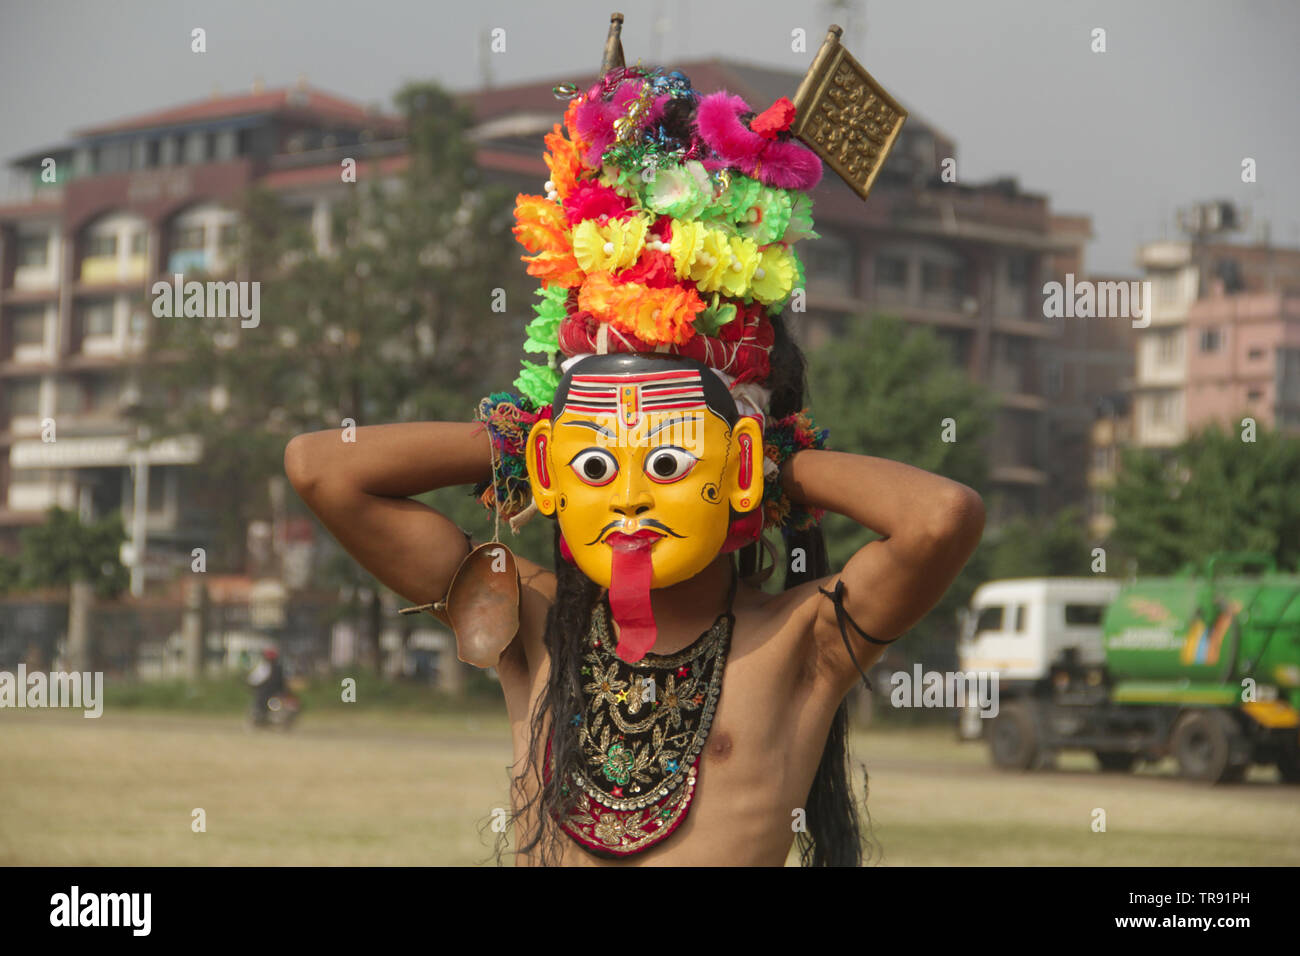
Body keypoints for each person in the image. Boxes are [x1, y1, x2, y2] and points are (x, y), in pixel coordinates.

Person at [284, 27, 983, 866]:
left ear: (736, 469)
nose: (627, 495)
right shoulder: (528, 623)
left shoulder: (804, 641)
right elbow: (322, 468)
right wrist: (526, 439)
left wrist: (769, 462)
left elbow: (941, 517)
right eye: (593, 464)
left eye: (666, 462)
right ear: (552, 472)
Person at [247, 647, 286, 726]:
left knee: (260, 702)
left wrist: (251, 684)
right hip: (277, 692)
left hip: (269, 692)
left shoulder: (265, 667)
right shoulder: (279, 667)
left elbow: (254, 679)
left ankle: (260, 716)